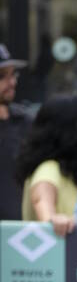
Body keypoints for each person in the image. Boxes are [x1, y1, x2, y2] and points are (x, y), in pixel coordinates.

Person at [17, 94, 77, 234]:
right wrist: (52, 218)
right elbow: (41, 201)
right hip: (55, 255)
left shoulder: (74, 175)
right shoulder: (48, 170)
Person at [0, 43, 33, 221]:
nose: (12, 82)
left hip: (19, 235)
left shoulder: (27, 123)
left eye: (13, 74)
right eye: (2, 76)